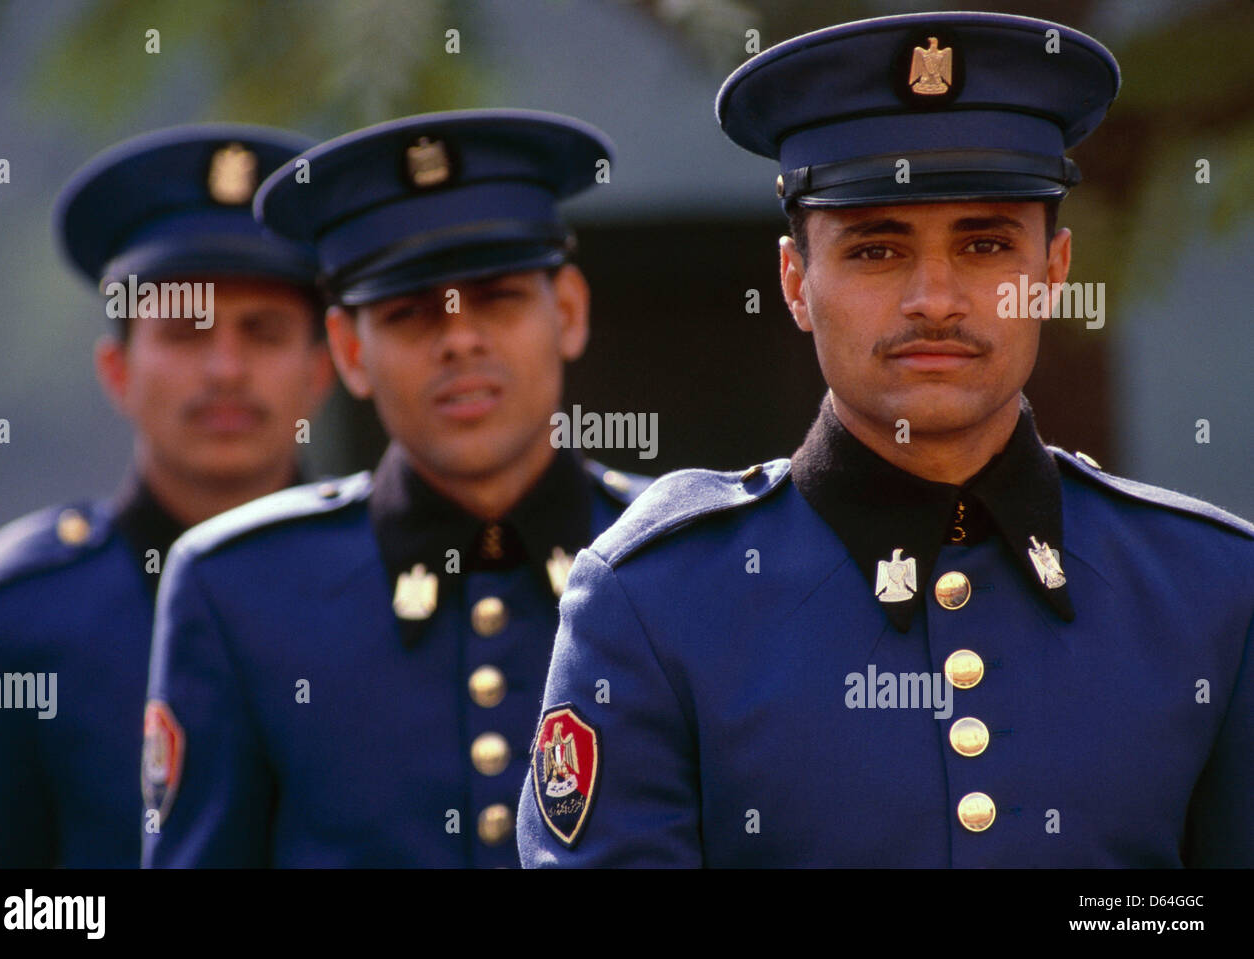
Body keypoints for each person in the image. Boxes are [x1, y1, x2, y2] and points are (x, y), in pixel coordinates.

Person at [517, 11, 1254, 867]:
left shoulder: (1211, 592)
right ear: (796, 282)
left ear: (1052, 274)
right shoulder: (656, 602)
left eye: (984, 244)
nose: (934, 298)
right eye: (875, 249)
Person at [142, 109, 650, 868]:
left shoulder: (675, 557)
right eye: (409, 313)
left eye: (497, 296)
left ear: (568, 312)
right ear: (349, 350)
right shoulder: (238, 589)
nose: (459, 338)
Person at [0, 124, 334, 867]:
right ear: (116, 369)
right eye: (187, 333)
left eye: (262, 331)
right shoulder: (8, 622)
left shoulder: (395, 583)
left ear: (325, 368)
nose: (226, 369)